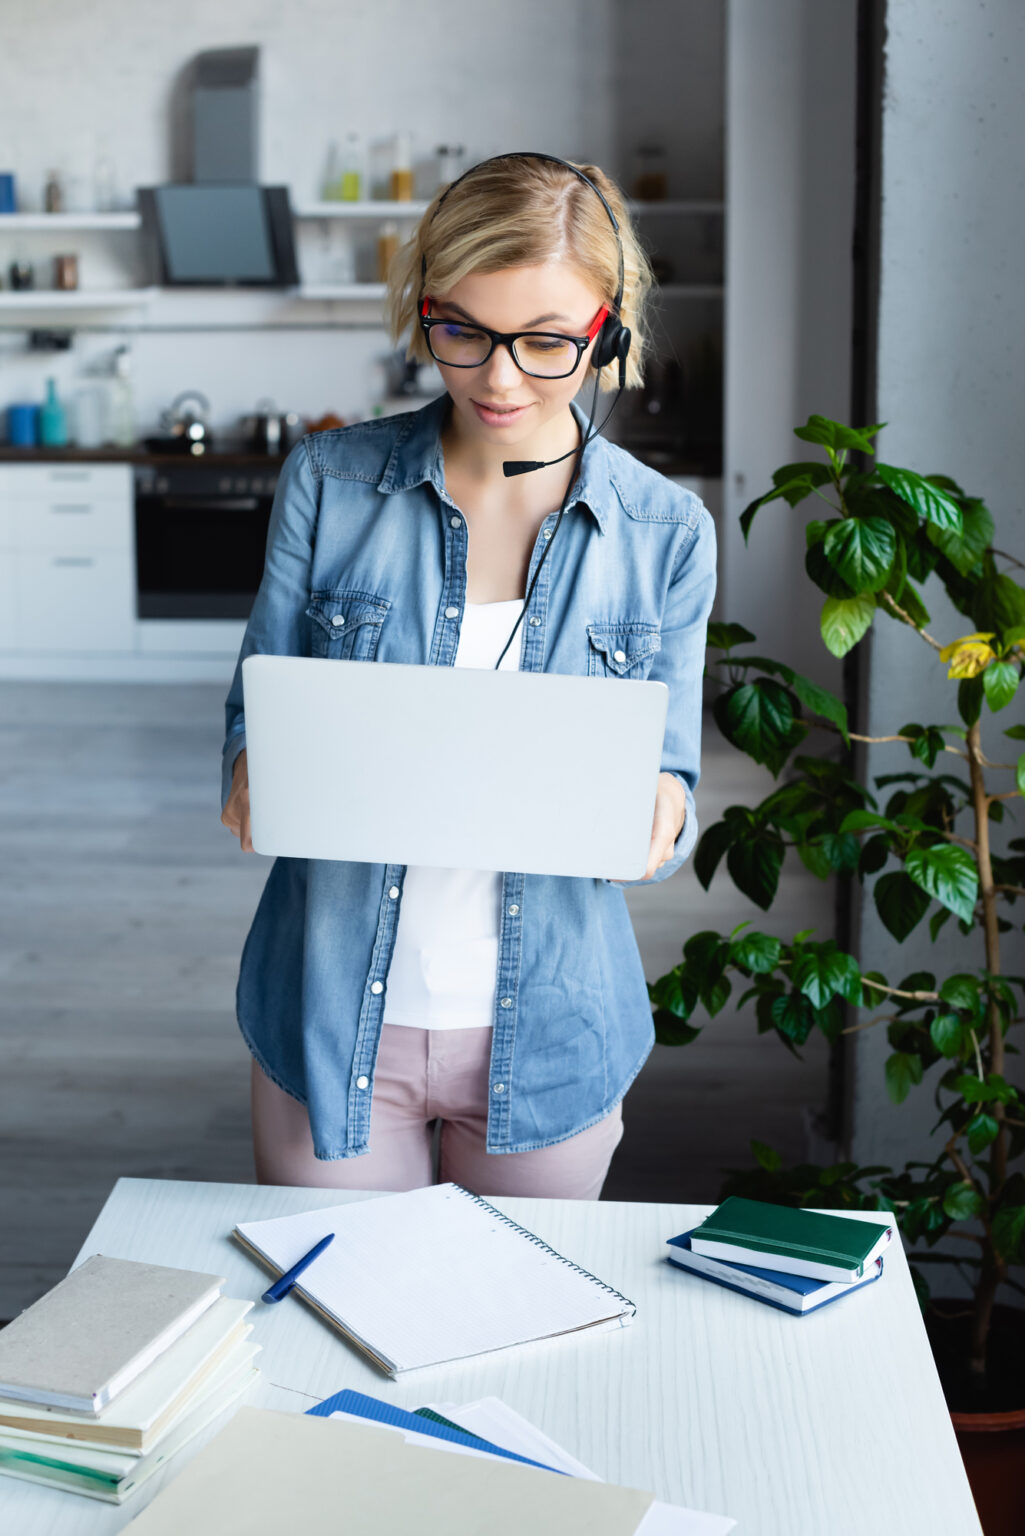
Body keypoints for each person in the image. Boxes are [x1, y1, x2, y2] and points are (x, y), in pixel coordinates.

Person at [220, 151, 717, 1200]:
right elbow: (253, 712)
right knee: (333, 1327)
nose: (498, 380)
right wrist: (253, 773)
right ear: (425, 312)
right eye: (462, 334)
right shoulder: (329, 483)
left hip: (550, 1032)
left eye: (545, 344)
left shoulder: (665, 531)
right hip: (331, 1012)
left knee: (519, 1335)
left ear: (607, 329)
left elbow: (668, 773)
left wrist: (658, 814)